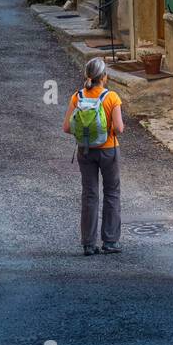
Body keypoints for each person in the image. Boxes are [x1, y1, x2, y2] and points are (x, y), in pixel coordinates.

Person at [63, 57, 124, 255]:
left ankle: (88, 243)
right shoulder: (111, 97)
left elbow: (66, 127)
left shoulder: (77, 97)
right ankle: (110, 241)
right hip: (109, 151)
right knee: (112, 193)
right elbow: (119, 128)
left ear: (87, 76)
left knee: (89, 194)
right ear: (104, 77)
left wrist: (85, 132)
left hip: (85, 151)